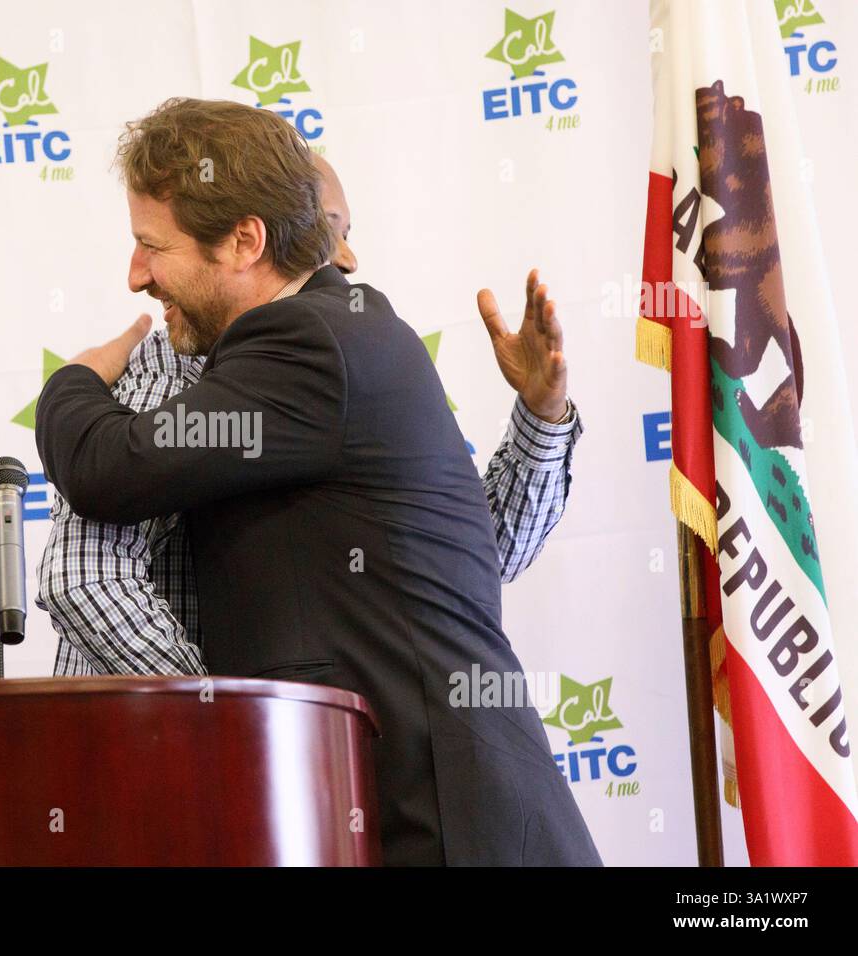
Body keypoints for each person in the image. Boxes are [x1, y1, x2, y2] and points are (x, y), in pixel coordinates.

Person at [35, 97, 600, 865]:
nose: (136, 274)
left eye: (151, 246)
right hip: (378, 812)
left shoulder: (311, 342)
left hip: (436, 823)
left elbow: (106, 468)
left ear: (246, 240)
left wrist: (70, 382)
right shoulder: (336, 339)